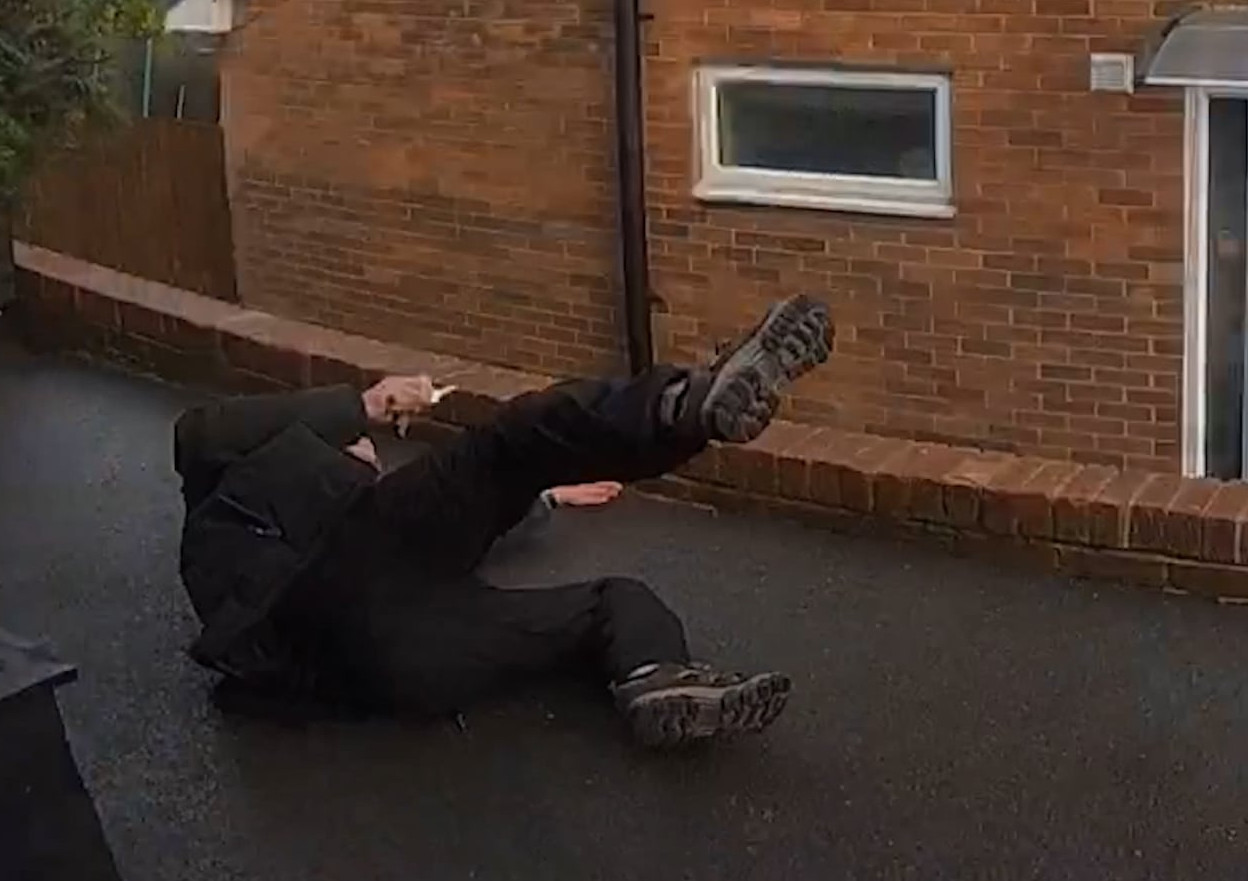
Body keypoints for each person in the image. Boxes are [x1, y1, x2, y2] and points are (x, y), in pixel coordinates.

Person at [173, 294, 833, 748]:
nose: (368, 454)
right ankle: (684, 407)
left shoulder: (373, 519)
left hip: (388, 669)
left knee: (612, 600)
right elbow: (195, 431)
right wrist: (362, 404)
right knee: (512, 439)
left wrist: (546, 495)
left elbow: (479, 516)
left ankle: (656, 675)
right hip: (338, 597)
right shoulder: (243, 490)